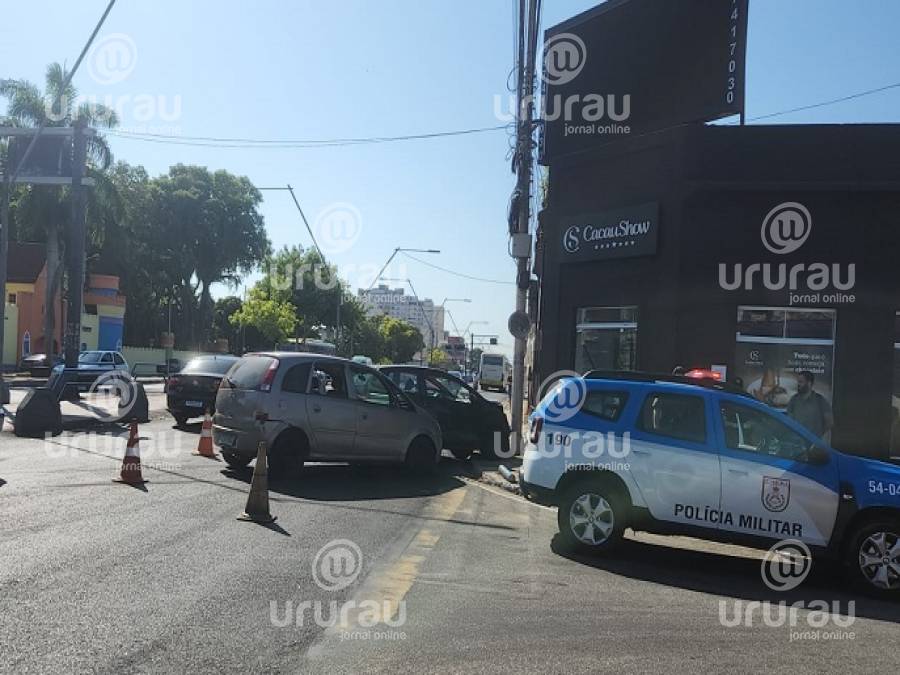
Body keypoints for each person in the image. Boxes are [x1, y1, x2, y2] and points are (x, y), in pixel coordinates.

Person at [786, 371, 833, 439]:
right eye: (798, 382)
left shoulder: (820, 400)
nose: (798, 384)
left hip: (813, 442)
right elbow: (789, 420)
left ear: (809, 383)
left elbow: (829, 422)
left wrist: (817, 436)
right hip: (796, 441)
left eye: (801, 382)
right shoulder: (794, 400)